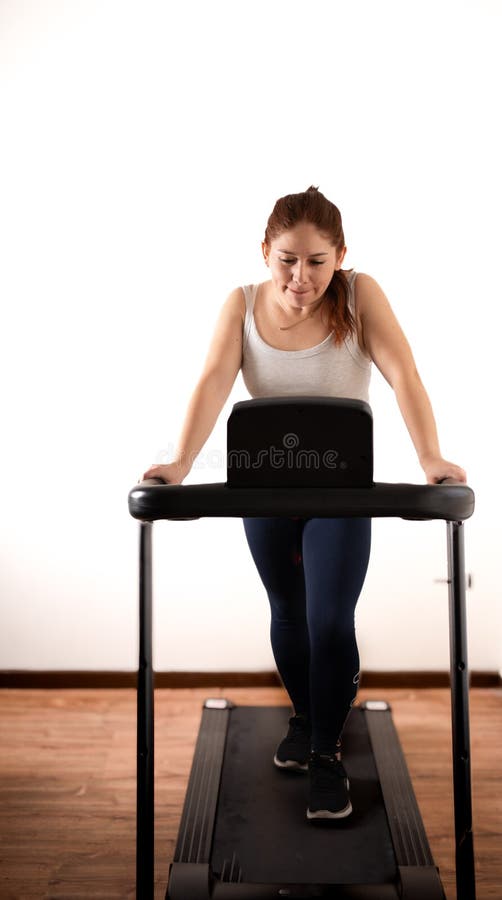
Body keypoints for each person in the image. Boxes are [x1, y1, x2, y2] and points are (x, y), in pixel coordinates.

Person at [142, 186, 466, 820]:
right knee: (287, 609)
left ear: (340, 257)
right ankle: (305, 715)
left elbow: (404, 373)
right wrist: (180, 463)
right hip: (265, 487)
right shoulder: (239, 304)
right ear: (265, 252)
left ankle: (325, 752)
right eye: (287, 259)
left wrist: (431, 459)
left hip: (340, 495)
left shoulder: (360, 292)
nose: (301, 276)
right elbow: (212, 381)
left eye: (318, 261)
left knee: (327, 620)